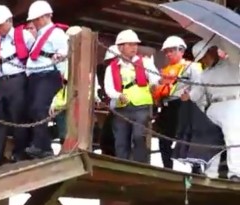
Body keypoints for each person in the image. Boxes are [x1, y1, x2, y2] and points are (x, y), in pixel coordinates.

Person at [182, 39, 240, 181]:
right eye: (202, 59)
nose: (204, 61)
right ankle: (210, 173)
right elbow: (197, 94)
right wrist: (187, 96)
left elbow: (234, 50)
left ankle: (235, 173)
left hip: (232, 104)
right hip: (213, 108)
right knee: (210, 140)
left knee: (233, 139)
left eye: (205, 57)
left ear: (212, 51)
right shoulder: (204, 74)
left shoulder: (233, 64)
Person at [0, 5, 34, 165]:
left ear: (9, 21)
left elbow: (35, 58)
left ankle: (19, 152)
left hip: (18, 81)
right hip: (1, 82)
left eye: (0, 25)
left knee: (18, 118)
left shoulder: (25, 36)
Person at [103, 29, 160, 163]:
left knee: (138, 136)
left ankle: (141, 165)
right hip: (121, 108)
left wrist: (154, 85)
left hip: (141, 107)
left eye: (135, 44)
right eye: (130, 44)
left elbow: (155, 78)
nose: (134, 47)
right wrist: (118, 95)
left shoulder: (145, 62)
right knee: (121, 140)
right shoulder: (111, 68)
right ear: (120, 47)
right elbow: (109, 88)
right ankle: (122, 165)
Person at [22, 0, 69, 159]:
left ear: (44, 17)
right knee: (34, 110)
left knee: (39, 108)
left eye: (36, 19)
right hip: (37, 77)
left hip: (47, 75)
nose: (34, 22)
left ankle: (41, 146)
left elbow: (63, 55)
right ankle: (42, 146)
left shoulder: (57, 34)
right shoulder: (41, 35)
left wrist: (63, 81)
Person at [153, 36, 201, 169]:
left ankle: (195, 169)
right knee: (164, 139)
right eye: (167, 51)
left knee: (187, 137)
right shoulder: (165, 70)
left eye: (171, 51)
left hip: (183, 105)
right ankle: (167, 167)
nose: (168, 54)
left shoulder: (192, 67)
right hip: (167, 107)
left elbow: (199, 86)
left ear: (181, 50)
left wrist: (190, 96)